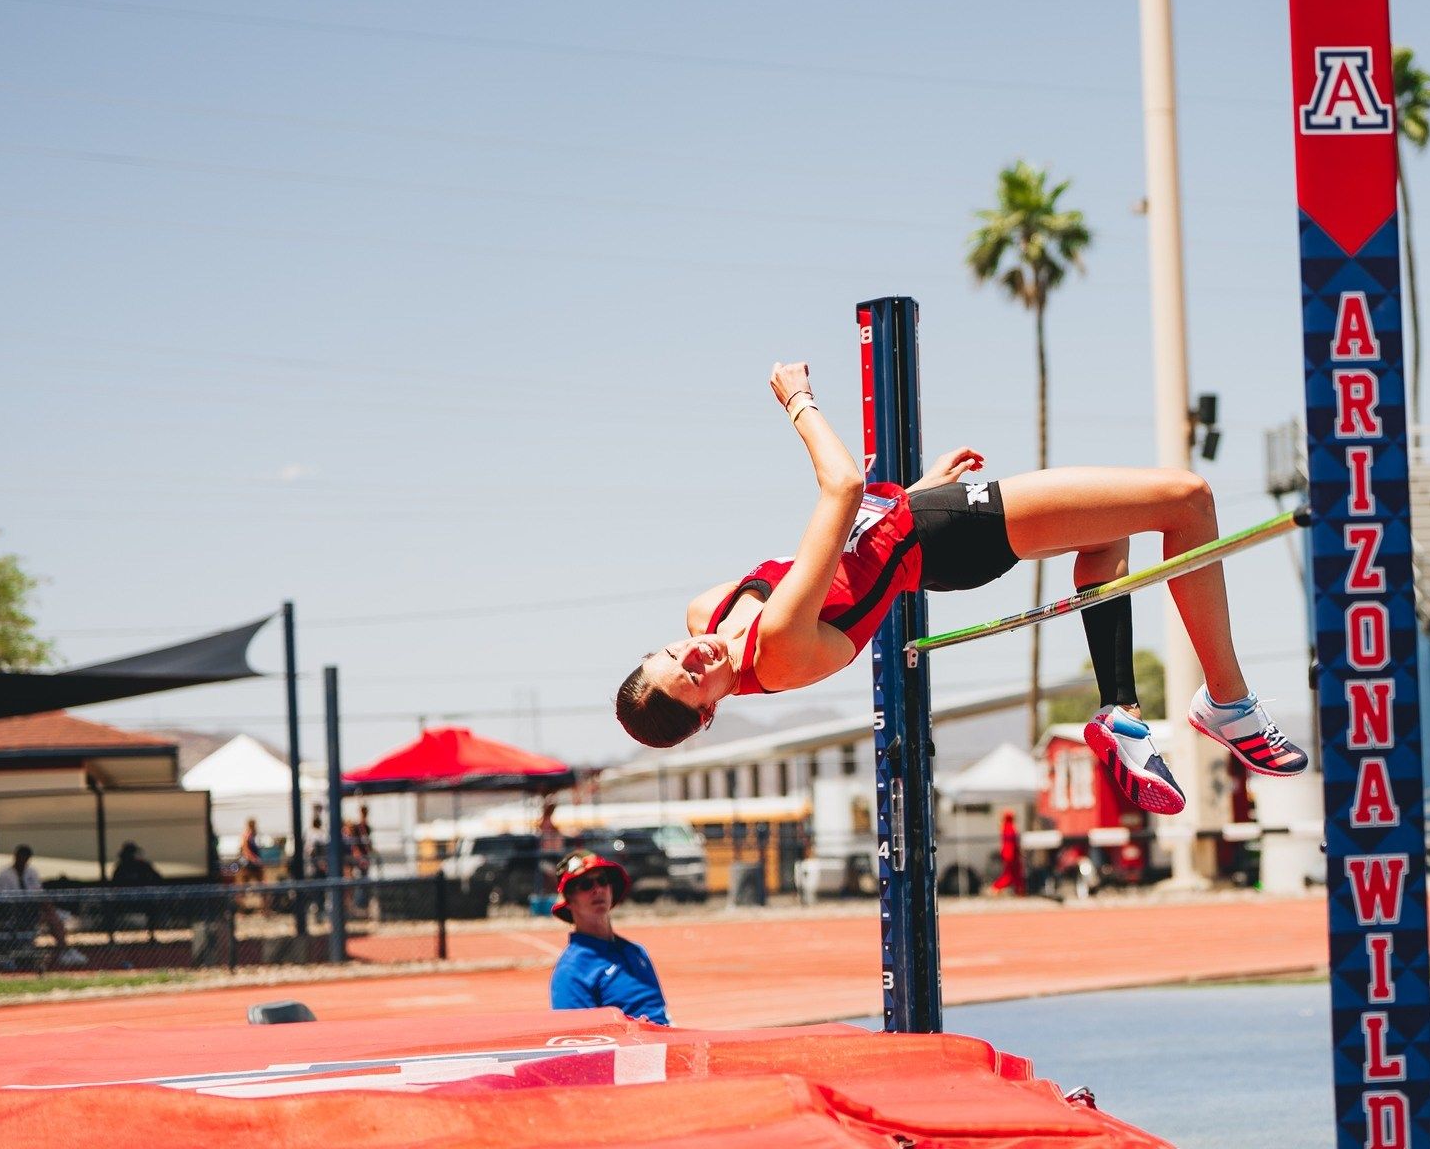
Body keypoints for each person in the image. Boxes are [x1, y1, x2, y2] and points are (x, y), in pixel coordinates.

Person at [615, 362, 1308, 816]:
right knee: (1187, 500)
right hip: (946, 536)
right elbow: (842, 487)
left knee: (1107, 536)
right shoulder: (779, 652)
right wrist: (799, 400)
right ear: (709, 713)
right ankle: (1226, 701)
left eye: (674, 655)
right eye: (695, 680)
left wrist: (913, 492)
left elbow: (838, 559)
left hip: (919, 522)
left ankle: (1120, 712)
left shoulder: (707, 610)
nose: (696, 655)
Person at [547, 850, 669, 1025]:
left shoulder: (637, 952)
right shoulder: (571, 971)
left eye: (602, 881)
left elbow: (662, 1015)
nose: (598, 890)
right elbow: (578, 1038)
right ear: (569, 901)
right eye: (586, 885)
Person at [0, 845, 85, 967]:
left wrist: (47, 908)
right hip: (13, 912)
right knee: (47, 916)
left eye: (25, 858)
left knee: (54, 918)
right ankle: (62, 950)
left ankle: (64, 950)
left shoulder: (31, 872)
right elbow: (6, 900)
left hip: (31, 910)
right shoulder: (5, 874)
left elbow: (38, 893)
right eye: (20, 857)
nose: (22, 860)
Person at [110, 841, 164, 943]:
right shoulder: (120, 868)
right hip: (124, 901)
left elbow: (158, 878)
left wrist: (149, 888)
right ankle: (112, 938)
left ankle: (151, 936)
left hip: (142, 899)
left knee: (152, 907)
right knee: (109, 908)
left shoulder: (143, 865)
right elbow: (114, 885)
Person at [989, 809, 1024, 896]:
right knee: (1009, 874)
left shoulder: (1006, 827)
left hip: (1011, 854)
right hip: (1011, 855)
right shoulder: (1009, 827)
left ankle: (1019, 890)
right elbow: (1011, 843)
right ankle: (996, 887)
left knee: (1016, 873)